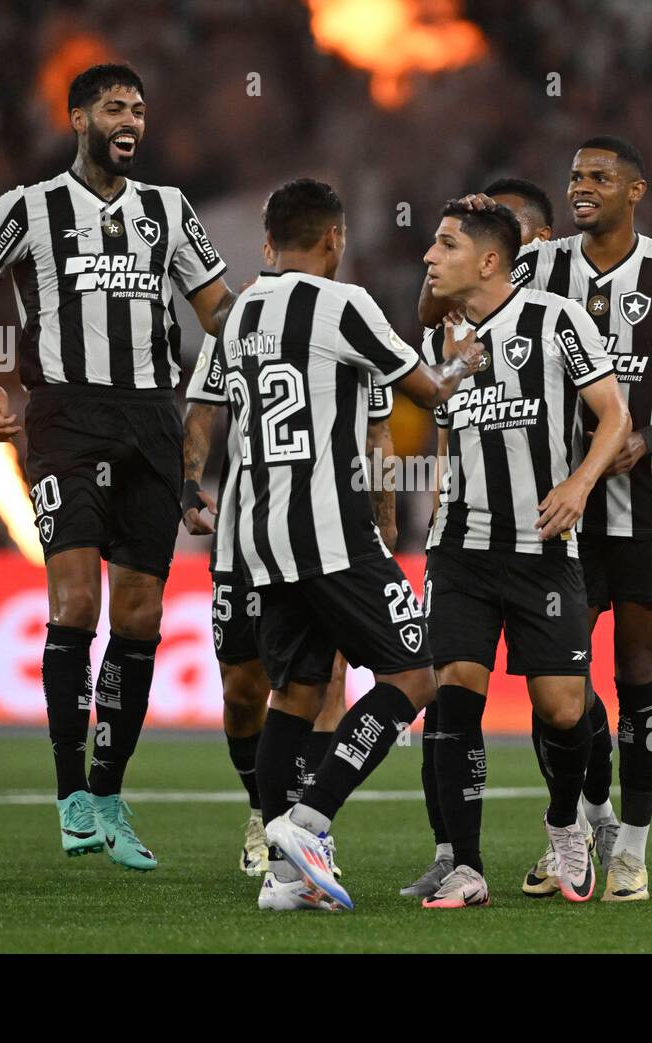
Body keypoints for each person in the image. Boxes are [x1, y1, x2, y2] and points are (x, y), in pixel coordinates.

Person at [0, 63, 235, 871]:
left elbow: (220, 314)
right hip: (64, 417)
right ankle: (70, 790)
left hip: (150, 421)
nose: (130, 118)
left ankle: (108, 792)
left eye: (139, 107)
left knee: (139, 616)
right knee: (75, 600)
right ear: (78, 118)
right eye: (114, 107)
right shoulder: (28, 209)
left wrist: (217, 393)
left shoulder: (169, 211)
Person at [430, 138, 652, 902]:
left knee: (637, 674)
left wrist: (648, 438)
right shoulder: (544, 261)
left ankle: (632, 844)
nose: (582, 187)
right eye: (575, 178)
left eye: (600, 177)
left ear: (636, 190)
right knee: (560, 686)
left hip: (649, 503)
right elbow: (445, 305)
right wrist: (474, 227)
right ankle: (580, 816)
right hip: (558, 511)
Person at [199, 178, 483, 910]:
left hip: (258, 533)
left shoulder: (235, 315)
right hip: (328, 529)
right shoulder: (344, 304)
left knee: (294, 693)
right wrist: (462, 360)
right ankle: (311, 819)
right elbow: (428, 391)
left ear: (271, 239)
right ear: (334, 239)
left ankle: (282, 876)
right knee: (415, 673)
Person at [402, 177, 619, 899]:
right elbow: (445, 431)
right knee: (456, 691)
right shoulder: (446, 339)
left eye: (447, 244)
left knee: (562, 708)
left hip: (543, 550)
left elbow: (612, 416)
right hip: (460, 548)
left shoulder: (557, 320)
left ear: (490, 261)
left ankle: (564, 824)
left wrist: (580, 482)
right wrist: (435, 512)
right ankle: (465, 864)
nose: (430, 256)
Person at [182, 322, 396, 889]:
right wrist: (188, 481)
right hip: (245, 537)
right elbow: (202, 409)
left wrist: (386, 511)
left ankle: (308, 827)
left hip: (330, 537)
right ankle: (263, 810)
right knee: (244, 690)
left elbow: (378, 429)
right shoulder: (234, 323)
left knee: (328, 677)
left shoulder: (351, 321)